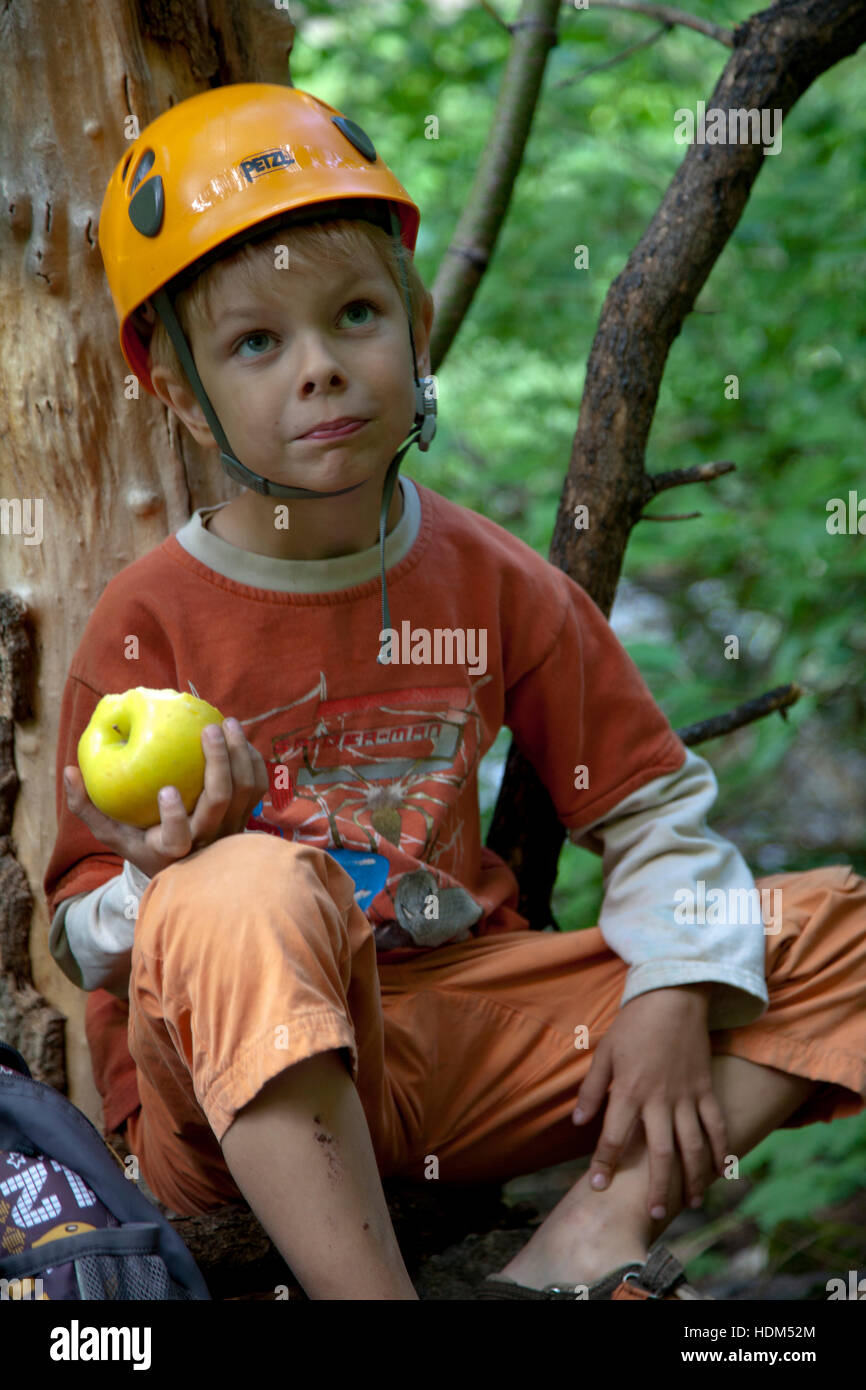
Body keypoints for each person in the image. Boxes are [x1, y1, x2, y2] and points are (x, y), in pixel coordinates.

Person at [44, 82, 866, 1302]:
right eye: (255, 342)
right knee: (238, 888)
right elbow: (74, 935)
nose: (320, 369)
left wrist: (671, 983)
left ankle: (583, 1241)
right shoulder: (149, 617)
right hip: (231, 1091)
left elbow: (651, 813)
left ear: (416, 326)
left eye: (356, 314)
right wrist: (163, 875)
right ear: (176, 389)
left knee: (837, 931)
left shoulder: (485, 577)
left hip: (452, 1035)